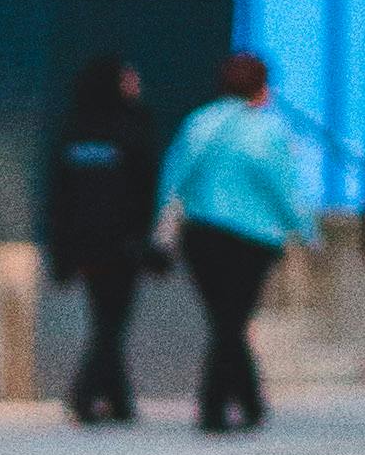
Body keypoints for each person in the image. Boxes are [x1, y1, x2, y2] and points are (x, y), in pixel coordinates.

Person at [158, 51, 312, 433]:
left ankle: (247, 400)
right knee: (233, 320)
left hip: (201, 234)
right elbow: (284, 189)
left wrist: (160, 227)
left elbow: (172, 178)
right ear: (261, 88)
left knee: (224, 319)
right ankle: (218, 406)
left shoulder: (198, 123)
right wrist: (307, 233)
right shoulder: (267, 131)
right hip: (252, 240)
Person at [44, 54, 163, 421]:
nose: (136, 84)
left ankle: (117, 399)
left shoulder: (73, 130)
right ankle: (86, 395)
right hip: (121, 242)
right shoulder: (132, 128)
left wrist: (60, 248)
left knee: (106, 317)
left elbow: (59, 195)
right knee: (111, 321)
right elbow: (146, 189)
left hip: (84, 242)